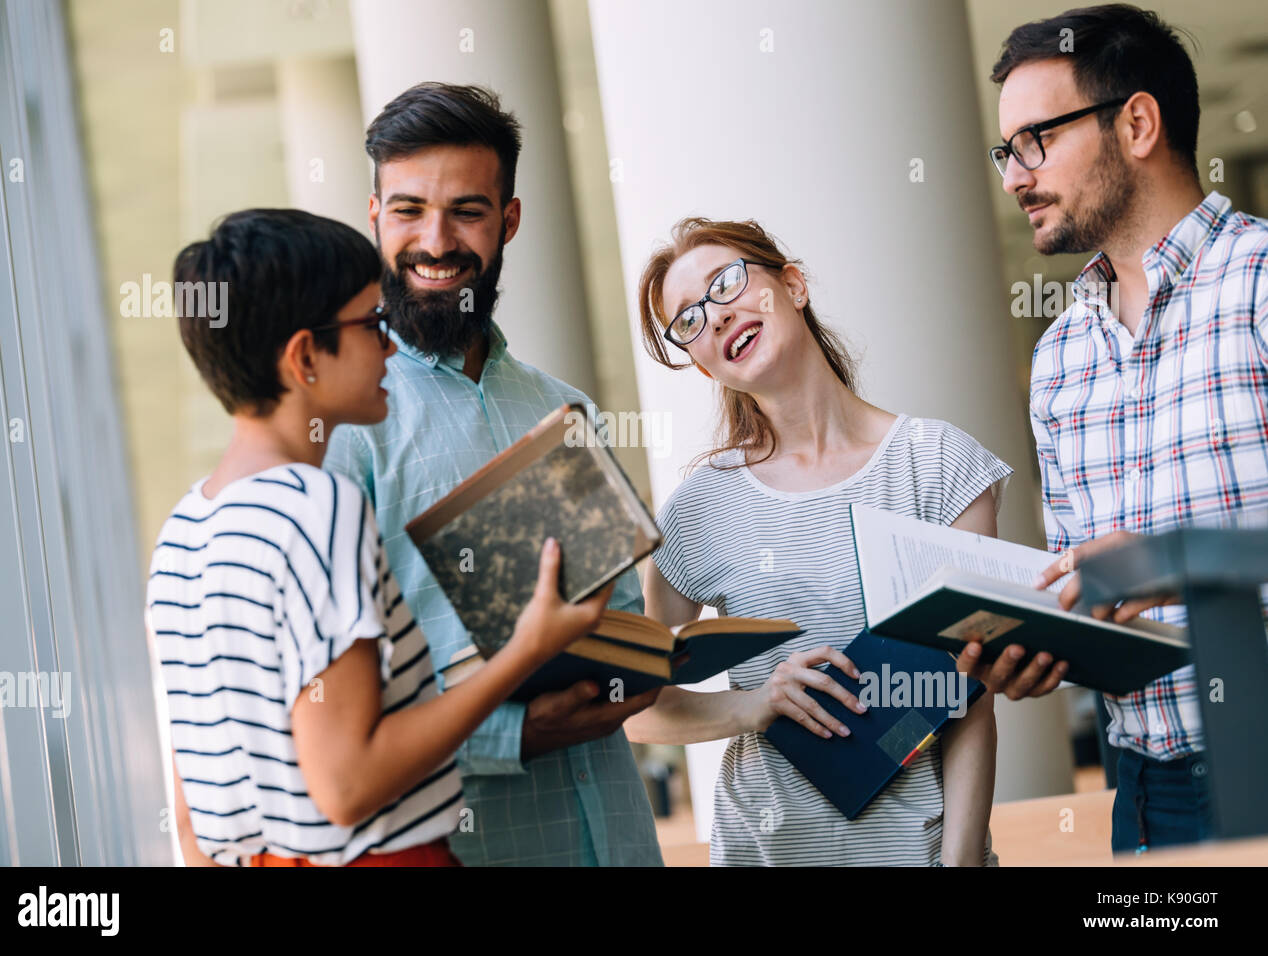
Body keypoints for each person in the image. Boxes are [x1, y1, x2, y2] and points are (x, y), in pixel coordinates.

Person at [149, 208, 612, 867]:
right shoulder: (318, 508)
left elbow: (192, 818)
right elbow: (348, 783)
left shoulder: (183, 533)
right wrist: (527, 648)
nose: (391, 347)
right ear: (306, 355)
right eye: (371, 325)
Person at [322, 83, 663, 866]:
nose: (435, 241)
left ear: (508, 220)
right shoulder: (345, 430)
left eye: (466, 212)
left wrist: (640, 674)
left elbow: (622, 625)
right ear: (375, 217)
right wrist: (514, 731)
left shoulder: (564, 407)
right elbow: (345, 717)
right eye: (408, 210)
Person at [967, 4, 1268, 852]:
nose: (1015, 176)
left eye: (1036, 141)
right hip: (1143, 796)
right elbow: (1101, 598)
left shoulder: (1260, 284)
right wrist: (1042, 646)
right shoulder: (1060, 357)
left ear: (1136, 122)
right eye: (1006, 152)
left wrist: (1171, 562)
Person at [623, 217, 1007, 866]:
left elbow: (969, 693)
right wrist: (753, 705)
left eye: (726, 284)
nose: (713, 317)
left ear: (793, 285)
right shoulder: (698, 508)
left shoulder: (940, 464)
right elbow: (638, 707)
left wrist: (962, 859)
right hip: (764, 850)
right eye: (688, 319)